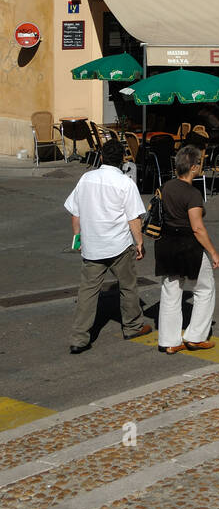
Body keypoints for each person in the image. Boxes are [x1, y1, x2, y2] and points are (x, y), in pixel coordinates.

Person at [64, 138, 151, 354]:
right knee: (128, 286)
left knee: (88, 291)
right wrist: (139, 242)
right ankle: (132, 326)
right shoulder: (125, 183)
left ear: (101, 157)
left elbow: (75, 213)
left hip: (92, 245)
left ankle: (79, 338)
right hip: (119, 245)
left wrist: (78, 236)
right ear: (122, 160)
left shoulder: (86, 178)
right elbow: (134, 218)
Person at [155, 144, 219, 354]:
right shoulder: (193, 194)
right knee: (204, 289)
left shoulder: (166, 186)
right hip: (188, 246)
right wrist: (213, 252)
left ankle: (169, 341)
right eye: (199, 164)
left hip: (166, 244)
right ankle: (196, 336)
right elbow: (197, 227)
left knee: (171, 291)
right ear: (193, 167)